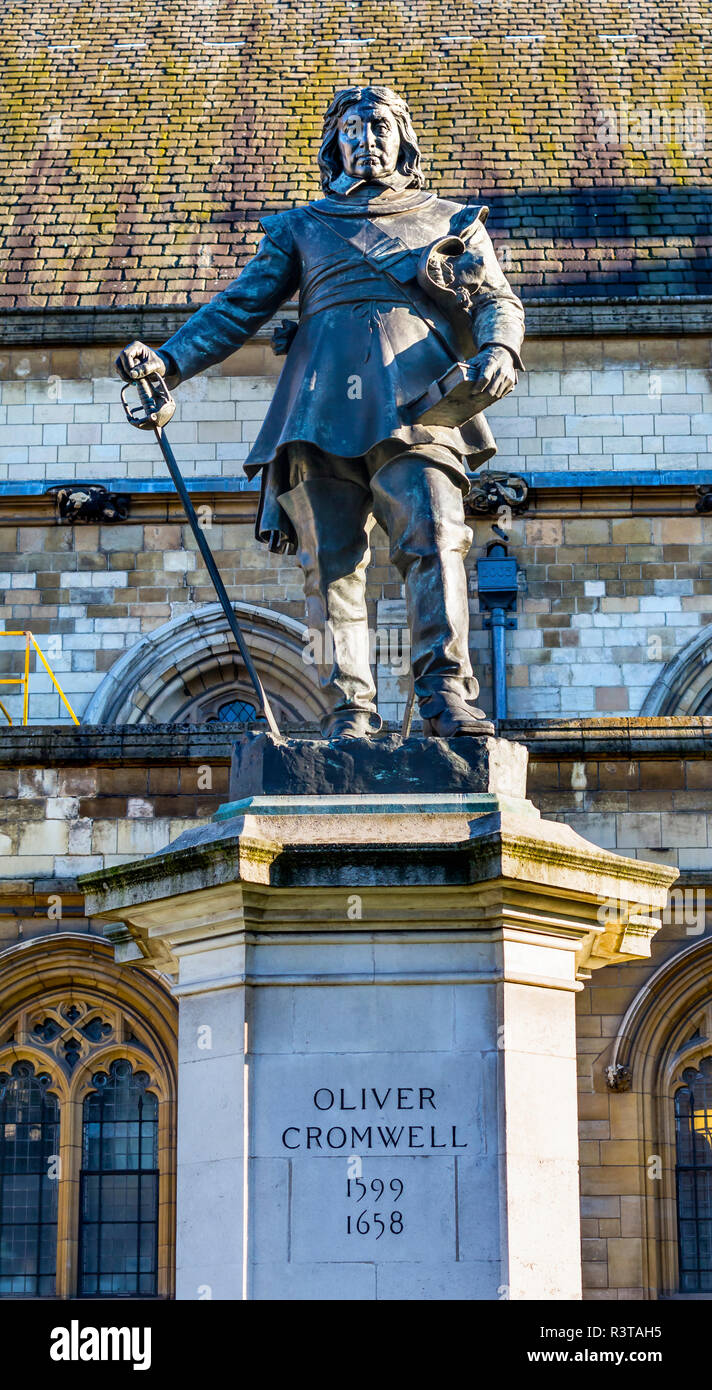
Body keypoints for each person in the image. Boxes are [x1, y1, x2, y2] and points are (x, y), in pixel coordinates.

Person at [117, 85, 525, 738]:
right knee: (330, 566)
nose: (367, 140)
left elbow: (496, 301)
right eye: (353, 131)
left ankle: (448, 696)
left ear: (403, 139)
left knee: (436, 538)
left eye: (380, 128)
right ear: (334, 145)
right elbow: (236, 309)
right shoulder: (301, 227)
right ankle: (349, 715)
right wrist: (167, 361)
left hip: (417, 401)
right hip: (318, 410)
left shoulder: (452, 221)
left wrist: (502, 347)